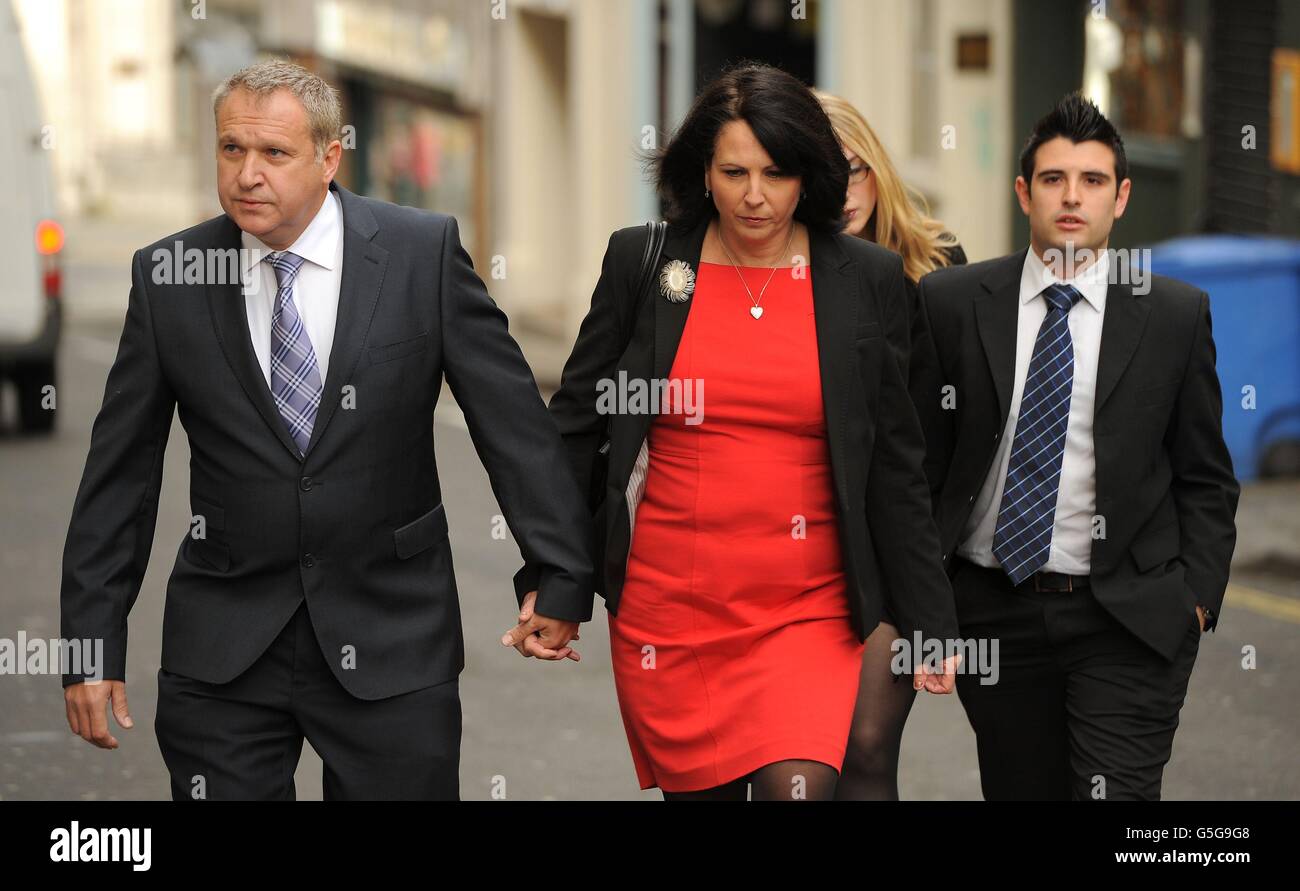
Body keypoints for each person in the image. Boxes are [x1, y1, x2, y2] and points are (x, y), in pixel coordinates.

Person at [59, 60, 589, 800]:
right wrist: (91, 644)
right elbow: (118, 477)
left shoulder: (420, 254)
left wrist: (559, 574)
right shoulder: (168, 276)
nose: (248, 174)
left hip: (394, 638)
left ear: (329, 156)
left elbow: (514, 426)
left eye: (273, 154)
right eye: (231, 150)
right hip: (225, 655)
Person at [508, 62, 958, 801]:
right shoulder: (643, 262)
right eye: (734, 171)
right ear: (701, 173)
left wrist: (930, 616)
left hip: (809, 608)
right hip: (673, 611)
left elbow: (895, 467)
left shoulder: (864, 278)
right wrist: (556, 584)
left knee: (801, 785)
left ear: (808, 176)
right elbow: (574, 434)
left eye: (777, 173)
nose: (756, 195)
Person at [909, 92, 1239, 800]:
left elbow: (1205, 475)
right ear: (1025, 191)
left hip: (1126, 614)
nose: (1071, 197)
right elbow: (919, 469)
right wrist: (930, 611)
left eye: (1092, 181)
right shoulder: (953, 302)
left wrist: (1196, 601)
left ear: (1120, 198)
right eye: (1054, 179)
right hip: (994, 609)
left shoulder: (1174, 313)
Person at [815, 90, 969, 801]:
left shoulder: (935, 267)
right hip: (810, 538)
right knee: (802, 755)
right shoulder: (792, 271)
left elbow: (963, 421)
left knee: (867, 743)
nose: (842, 192)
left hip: (903, 540)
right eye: (820, 173)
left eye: (853, 169)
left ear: (876, 166)